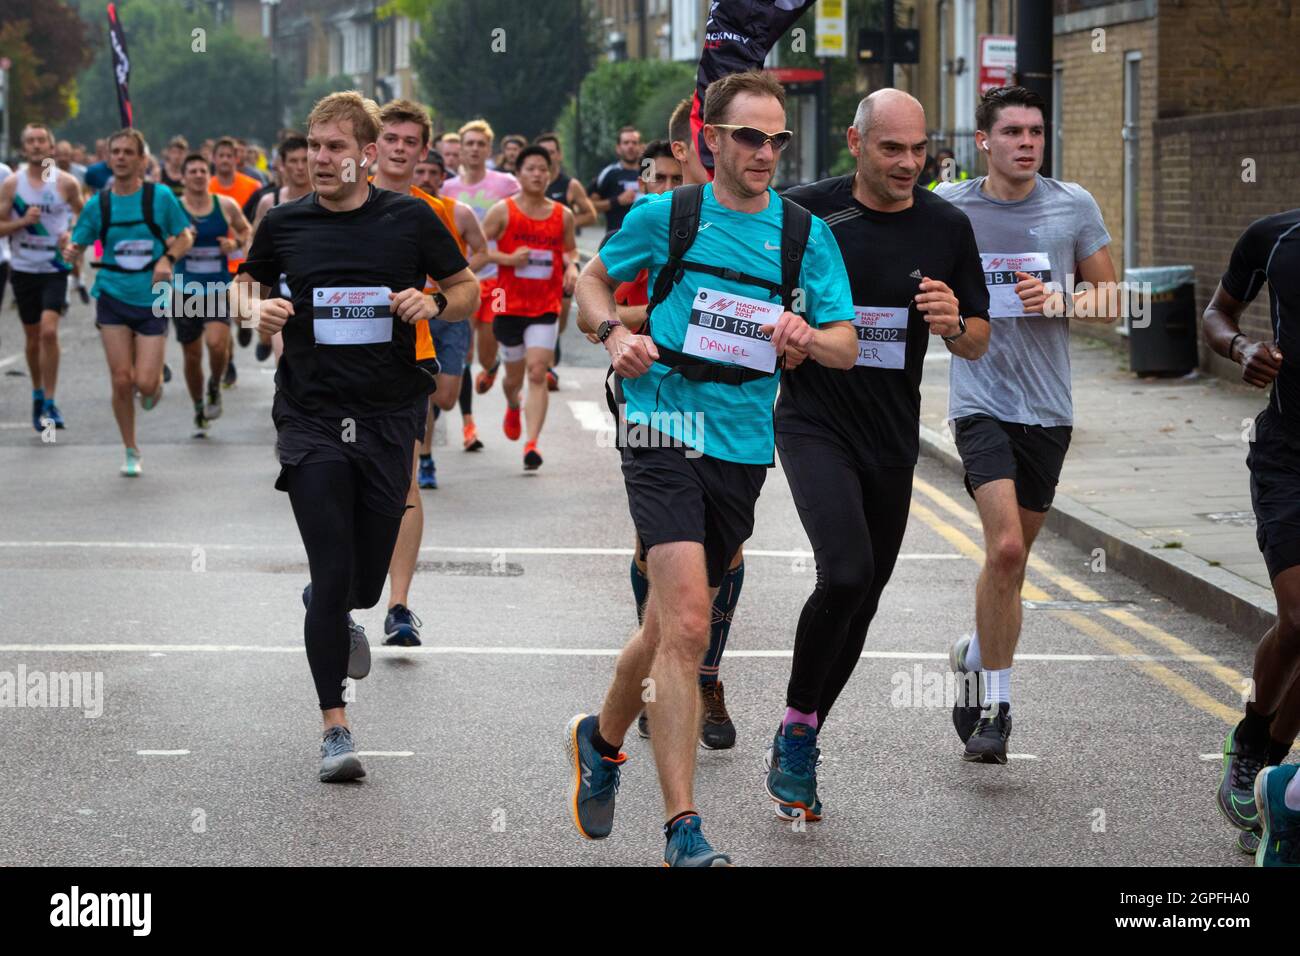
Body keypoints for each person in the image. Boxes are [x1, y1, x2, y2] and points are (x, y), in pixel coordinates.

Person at [569, 70, 857, 865]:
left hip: (741, 442)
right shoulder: (670, 214)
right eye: (749, 137)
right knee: (692, 623)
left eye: (778, 139)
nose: (766, 152)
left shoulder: (804, 236)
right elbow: (590, 281)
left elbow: (846, 344)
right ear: (713, 141)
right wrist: (611, 336)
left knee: (665, 625)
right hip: (662, 421)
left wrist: (806, 336)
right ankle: (682, 827)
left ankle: (600, 739)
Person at [233, 91, 477, 783]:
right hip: (310, 414)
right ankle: (335, 726)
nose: (321, 158)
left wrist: (431, 301)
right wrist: (258, 308)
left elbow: (467, 289)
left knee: (363, 586)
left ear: (368, 156)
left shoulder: (411, 219)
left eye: (336, 147)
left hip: (388, 415)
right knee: (332, 565)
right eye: (314, 145)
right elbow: (241, 287)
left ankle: (335, 605)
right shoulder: (284, 222)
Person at [764, 90, 990, 821]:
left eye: (918, 149)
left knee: (864, 597)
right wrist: (783, 332)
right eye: (891, 149)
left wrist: (956, 325)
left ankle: (800, 732)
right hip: (814, 424)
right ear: (856, 142)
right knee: (847, 569)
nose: (907, 163)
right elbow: (751, 298)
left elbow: (979, 335)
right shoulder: (804, 214)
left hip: (892, 436)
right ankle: (799, 736)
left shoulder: (946, 225)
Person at [934, 86, 1118, 764]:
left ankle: (975, 652)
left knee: (1012, 564)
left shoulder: (1072, 206)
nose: (1026, 142)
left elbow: (1116, 298)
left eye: (1035, 131)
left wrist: (1062, 296)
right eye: (1011, 131)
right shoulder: (952, 207)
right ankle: (998, 707)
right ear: (984, 140)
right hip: (980, 401)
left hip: (1049, 410)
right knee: (1006, 549)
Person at [604, 126, 746, 750]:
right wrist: (626, 328)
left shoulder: (738, 225)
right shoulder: (650, 223)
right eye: (651, 178)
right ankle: (673, 671)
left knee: (729, 557)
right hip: (656, 404)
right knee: (654, 550)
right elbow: (600, 301)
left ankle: (700, 669)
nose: (659, 186)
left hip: (733, 417)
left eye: (669, 174)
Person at [1203, 207, 1300, 867]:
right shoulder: (1275, 236)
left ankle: (1270, 773)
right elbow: (1217, 313)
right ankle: (1254, 738)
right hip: (1288, 458)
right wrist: (1241, 348)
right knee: (1298, 619)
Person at [371, 100, 486, 645]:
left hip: (404, 359)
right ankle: (342, 590)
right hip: (334, 366)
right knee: (342, 482)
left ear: (422, 151)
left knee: (404, 478)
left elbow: (466, 288)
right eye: (389, 138)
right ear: (373, 144)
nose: (398, 148)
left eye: (409, 141)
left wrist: (434, 302)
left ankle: (398, 606)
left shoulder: (427, 214)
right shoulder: (329, 204)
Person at [61, 128, 193, 477]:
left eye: (127, 152)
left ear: (141, 160)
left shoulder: (160, 197)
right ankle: (131, 448)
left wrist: (167, 259)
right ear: (108, 158)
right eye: (114, 151)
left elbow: (185, 235)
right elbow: (77, 242)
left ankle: (154, 385)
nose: (120, 157)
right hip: (112, 295)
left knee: (145, 385)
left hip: (153, 297)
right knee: (121, 380)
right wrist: (70, 250)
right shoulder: (98, 203)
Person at [481, 144, 578, 470]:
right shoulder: (503, 211)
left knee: (538, 371)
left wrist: (573, 267)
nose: (538, 174)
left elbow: (570, 251)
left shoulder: (562, 214)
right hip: (506, 302)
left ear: (550, 174)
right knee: (514, 376)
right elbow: (478, 251)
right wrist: (507, 258)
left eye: (543, 169)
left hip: (545, 303)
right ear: (518, 174)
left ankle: (532, 444)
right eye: (531, 168)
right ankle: (512, 403)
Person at [410, 148, 489, 489]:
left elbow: (483, 249)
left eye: (432, 173)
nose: (425, 179)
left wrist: (457, 277)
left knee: (446, 397)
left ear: (444, 178)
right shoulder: (402, 210)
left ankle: (425, 428)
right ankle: (424, 458)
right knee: (424, 389)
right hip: (414, 311)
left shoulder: (459, 213)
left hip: (451, 310)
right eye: (421, 172)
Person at [0, 123, 84, 431]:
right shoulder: (12, 184)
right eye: (31, 141)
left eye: (41, 141)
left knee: (49, 331)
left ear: (51, 147)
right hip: (23, 269)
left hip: (55, 267)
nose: (36, 146)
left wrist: (71, 237)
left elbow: (86, 218)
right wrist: (22, 221)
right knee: (33, 337)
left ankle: (50, 401)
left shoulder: (65, 183)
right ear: (24, 149)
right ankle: (37, 392)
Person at [442, 120, 520, 446]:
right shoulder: (447, 190)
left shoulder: (505, 183)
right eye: (468, 143)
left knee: (488, 351)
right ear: (460, 148)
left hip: (497, 283)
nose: (474, 149)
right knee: (464, 354)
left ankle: (493, 365)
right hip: (464, 282)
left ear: (489, 150)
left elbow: (522, 217)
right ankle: (468, 425)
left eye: (480, 144)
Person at [172, 153, 251, 433]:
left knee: (217, 344)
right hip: (184, 289)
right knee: (192, 355)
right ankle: (197, 406)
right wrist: (176, 242)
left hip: (217, 287)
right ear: (183, 177)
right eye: (191, 171)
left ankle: (215, 385)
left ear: (209, 174)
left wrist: (235, 243)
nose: (197, 175)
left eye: (202, 170)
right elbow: (162, 239)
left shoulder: (225, 205)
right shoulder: (174, 207)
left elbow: (245, 230)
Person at [534, 132, 598, 391]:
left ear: (558, 155)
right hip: (536, 263)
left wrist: (565, 226)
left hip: (564, 258)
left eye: (552, 151)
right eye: (543, 152)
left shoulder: (569, 185)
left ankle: (552, 344)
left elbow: (591, 215)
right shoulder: (530, 182)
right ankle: (546, 364)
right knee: (539, 312)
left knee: (559, 314)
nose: (548, 156)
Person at [249, 135, 313, 363]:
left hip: (314, 288)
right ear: (282, 166)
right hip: (278, 284)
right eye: (293, 161)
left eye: (304, 160)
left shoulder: (328, 199)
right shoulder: (270, 201)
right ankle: (265, 339)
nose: (299, 167)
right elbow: (254, 246)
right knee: (284, 361)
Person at [209, 137, 263, 388]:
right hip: (216, 262)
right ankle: (228, 362)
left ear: (236, 159)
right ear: (214, 159)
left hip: (245, 258)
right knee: (222, 319)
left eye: (229, 156)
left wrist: (244, 242)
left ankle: (245, 327)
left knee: (242, 315)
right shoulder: (206, 187)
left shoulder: (252, 186)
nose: (225, 160)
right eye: (220, 155)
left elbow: (258, 223)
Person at [590, 126, 642, 240]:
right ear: (618, 148)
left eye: (634, 143)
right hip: (616, 239)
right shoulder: (608, 173)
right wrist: (617, 201)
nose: (630, 146)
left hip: (646, 240)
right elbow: (590, 206)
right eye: (626, 143)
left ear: (640, 147)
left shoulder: (649, 173)